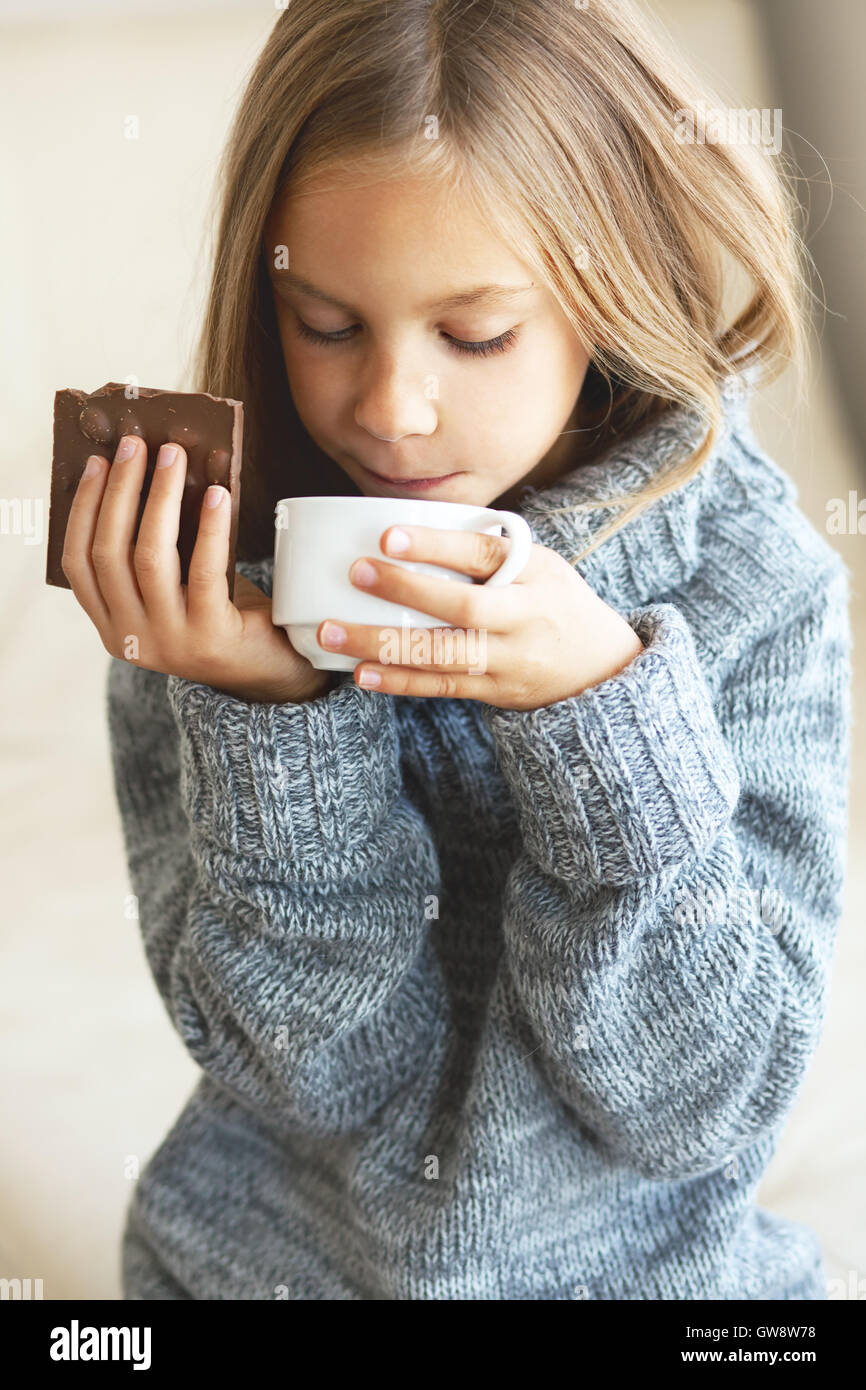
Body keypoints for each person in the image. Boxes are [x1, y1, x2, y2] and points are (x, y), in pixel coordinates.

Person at [63, 0, 850, 1299]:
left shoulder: (749, 587)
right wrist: (269, 715)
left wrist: (602, 715)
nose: (389, 409)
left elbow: (701, 1100)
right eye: (325, 324)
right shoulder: (207, 599)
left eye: (474, 335)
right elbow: (311, 1079)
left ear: (610, 294)